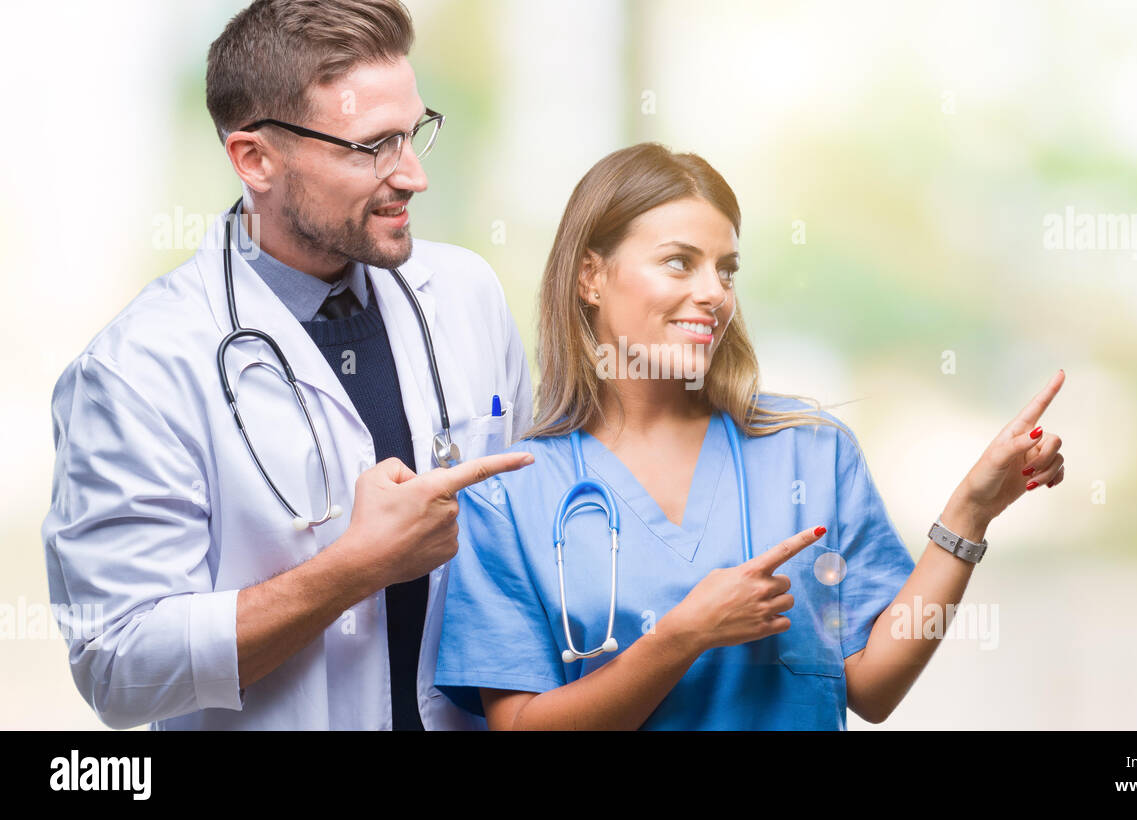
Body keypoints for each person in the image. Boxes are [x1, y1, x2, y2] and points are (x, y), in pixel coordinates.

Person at [431, 142, 1067, 730]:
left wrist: (971, 514)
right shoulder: (510, 494)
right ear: (590, 276)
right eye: (680, 262)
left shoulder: (811, 452)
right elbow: (516, 724)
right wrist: (682, 637)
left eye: (726, 270)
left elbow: (872, 686)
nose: (713, 293)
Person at [40, 0, 533, 730]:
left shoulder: (468, 298)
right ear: (255, 159)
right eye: (373, 147)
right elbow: (118, 667)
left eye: (415, 133)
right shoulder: (136, 371)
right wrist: (354, 569)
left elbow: (516, 548)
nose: (413, 176)